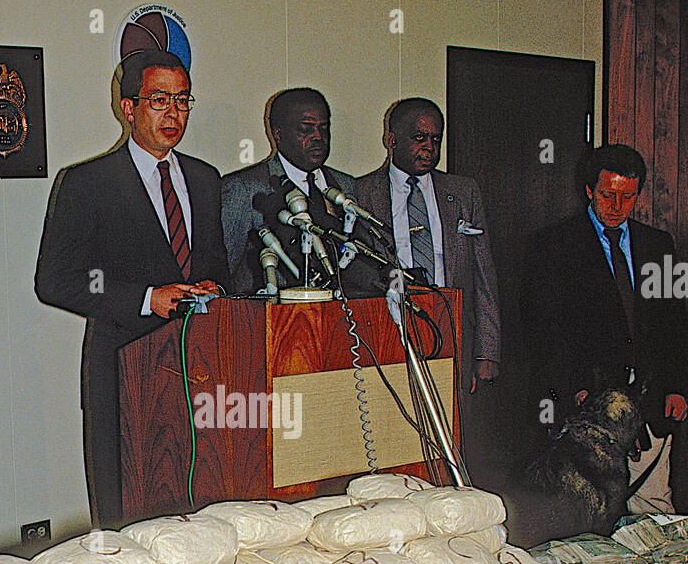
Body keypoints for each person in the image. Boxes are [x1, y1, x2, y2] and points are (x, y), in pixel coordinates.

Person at [35, 50, 230, 527]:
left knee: (202, 509)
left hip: (202, 368)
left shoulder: (205, 179)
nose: (173, 113)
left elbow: (221, 265)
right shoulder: (87, 182)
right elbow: (54, 280)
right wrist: (146, 298)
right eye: (159, 99)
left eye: (183, 100)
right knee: (126, 517)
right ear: (128, 108)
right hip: (124, 368)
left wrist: (216, 287)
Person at [523, 143, 688, 512]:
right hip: (587, 408)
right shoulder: (554, 245)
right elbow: (544, 330)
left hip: (651, 407)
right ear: (588, 190)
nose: (616, 207)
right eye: (607, 195)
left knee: (653, 505)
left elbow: (676, 323)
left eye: (627, 197)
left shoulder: (659, 245)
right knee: (590, 509)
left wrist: (678, 385)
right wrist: (574, 387)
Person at [353, 97, 501, 396]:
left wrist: (487, 350)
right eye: (419, 138)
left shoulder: (463, 192)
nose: (429, 147)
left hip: (453, 328)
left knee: (453, 426)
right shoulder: (361, 192)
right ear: (391, 140)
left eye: (436, 139)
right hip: (390, 328)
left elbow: (484, 275)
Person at [221, 88, 359, 295]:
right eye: (306, 129)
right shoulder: (245, 188)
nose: (318, 137)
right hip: (269, 317)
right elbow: (224, 272)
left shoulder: (346, 186)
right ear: (278, 134)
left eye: (324, 128)